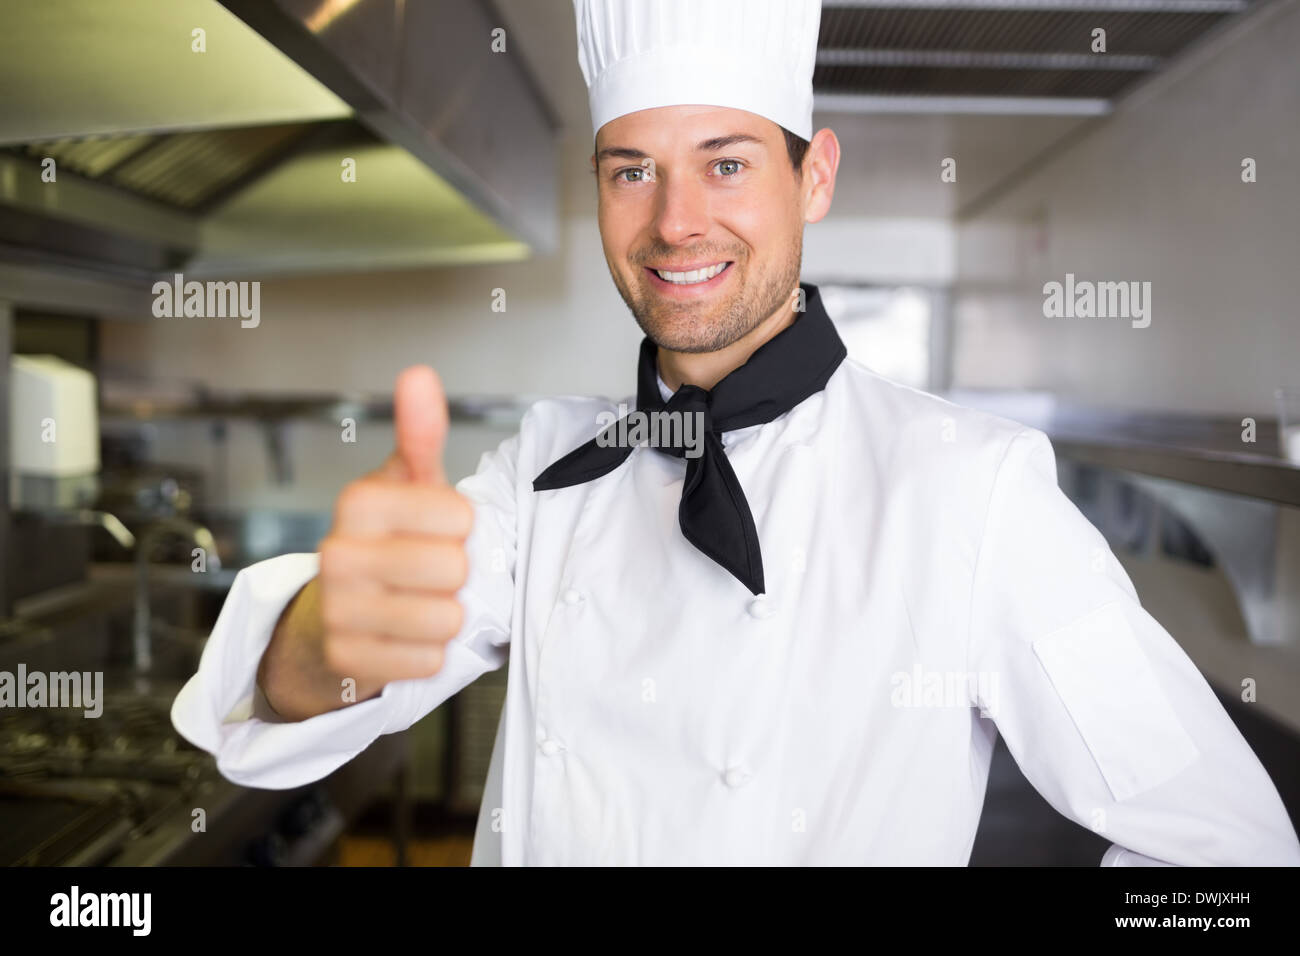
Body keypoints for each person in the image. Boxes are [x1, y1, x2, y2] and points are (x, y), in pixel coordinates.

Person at [172, 0, 1300, 866]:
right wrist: (328, 632)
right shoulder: (544, 469)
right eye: (633, 171)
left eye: (725, 162)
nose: (675, 221)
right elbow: (297, 691)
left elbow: (1225, 850)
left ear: (813, 177)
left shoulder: (969, 489)